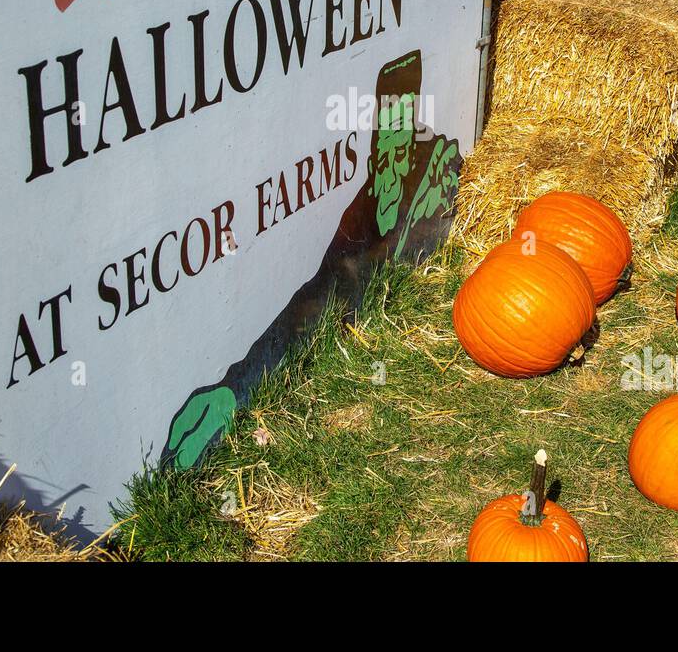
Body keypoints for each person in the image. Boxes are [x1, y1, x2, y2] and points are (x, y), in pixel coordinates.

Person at [163, 50, 461, 469]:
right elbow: (317, 294)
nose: (389, 168)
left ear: (412, 147)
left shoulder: (438, 179)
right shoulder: (367, 203)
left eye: (399, 150)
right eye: (382, 149)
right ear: (373, 148)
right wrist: (236, 386)